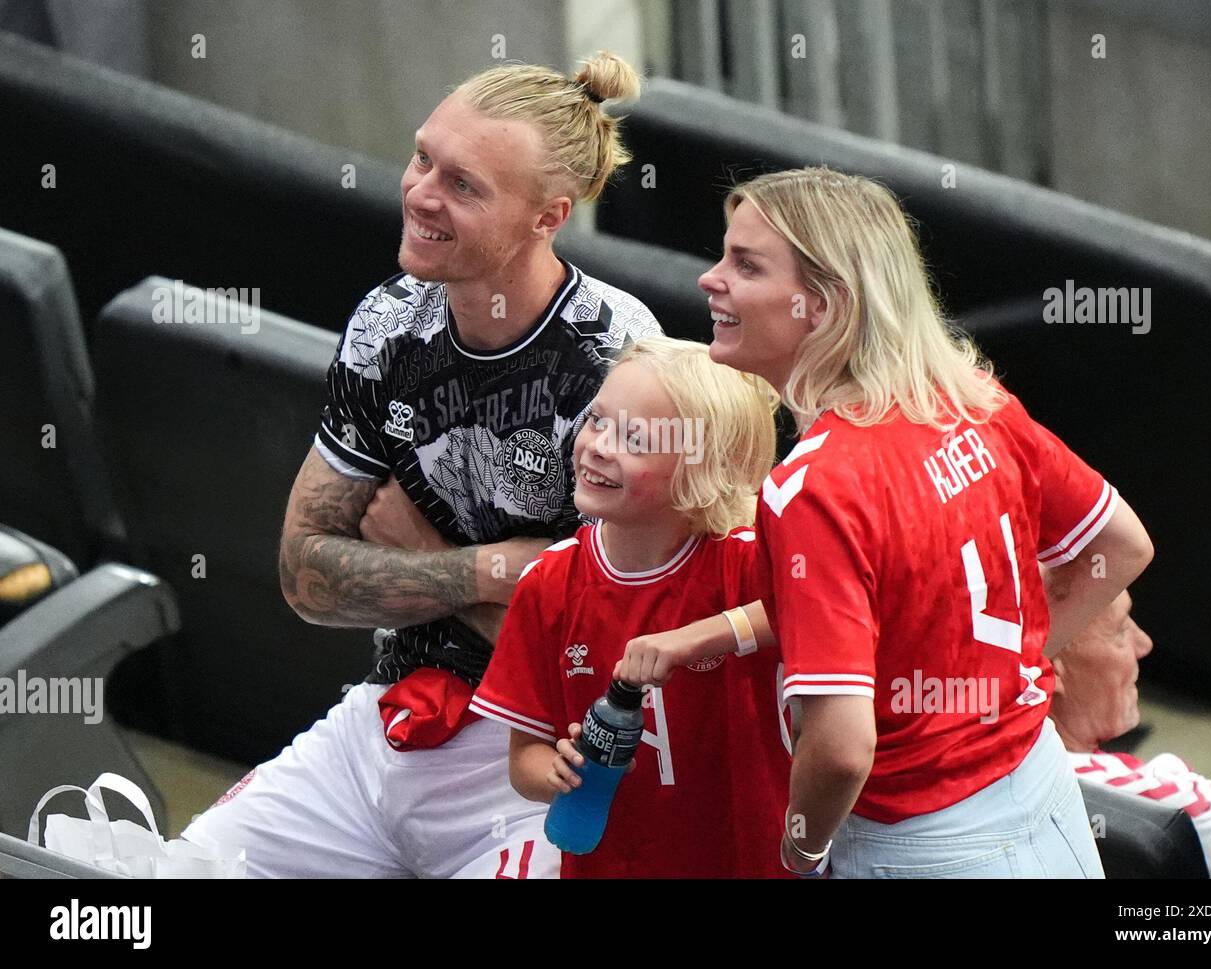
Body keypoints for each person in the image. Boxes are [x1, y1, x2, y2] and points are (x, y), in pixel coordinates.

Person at [180, 52, 661, 878]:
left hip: (540, 767)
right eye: (422, 157)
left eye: (464, 185)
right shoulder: (388, 321)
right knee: (162, 876)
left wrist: (424, 557)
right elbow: (305, 573)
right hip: (389, 723)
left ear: (547, 215)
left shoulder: (619, 362)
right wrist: (493, 572)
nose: (420, 193)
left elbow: (601, 671)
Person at [616, 166, 1154, 878]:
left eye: (745, 264)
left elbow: (841, 747)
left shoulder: (814, 487)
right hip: (1045, 800)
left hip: (925, 845)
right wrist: (1009, 673)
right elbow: (1120, 544)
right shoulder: (972, 400)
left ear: (827, 303)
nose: (709, 280)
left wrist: (802, 846)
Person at [470, 336, 794, 877]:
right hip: (612, 861)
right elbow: (523, 759)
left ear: (702, 468)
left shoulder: (741, 562)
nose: (598, 446)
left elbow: (824, 604)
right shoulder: (549, 582)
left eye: (635, 440)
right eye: (597, 421)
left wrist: (698, 637)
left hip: (748, 854)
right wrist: (556, 770)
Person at [1051, 591, 1211, 878]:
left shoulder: (979, 781)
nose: (1144, 643)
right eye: (1120, 629)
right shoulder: (1184, 804)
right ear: (1047, 670)